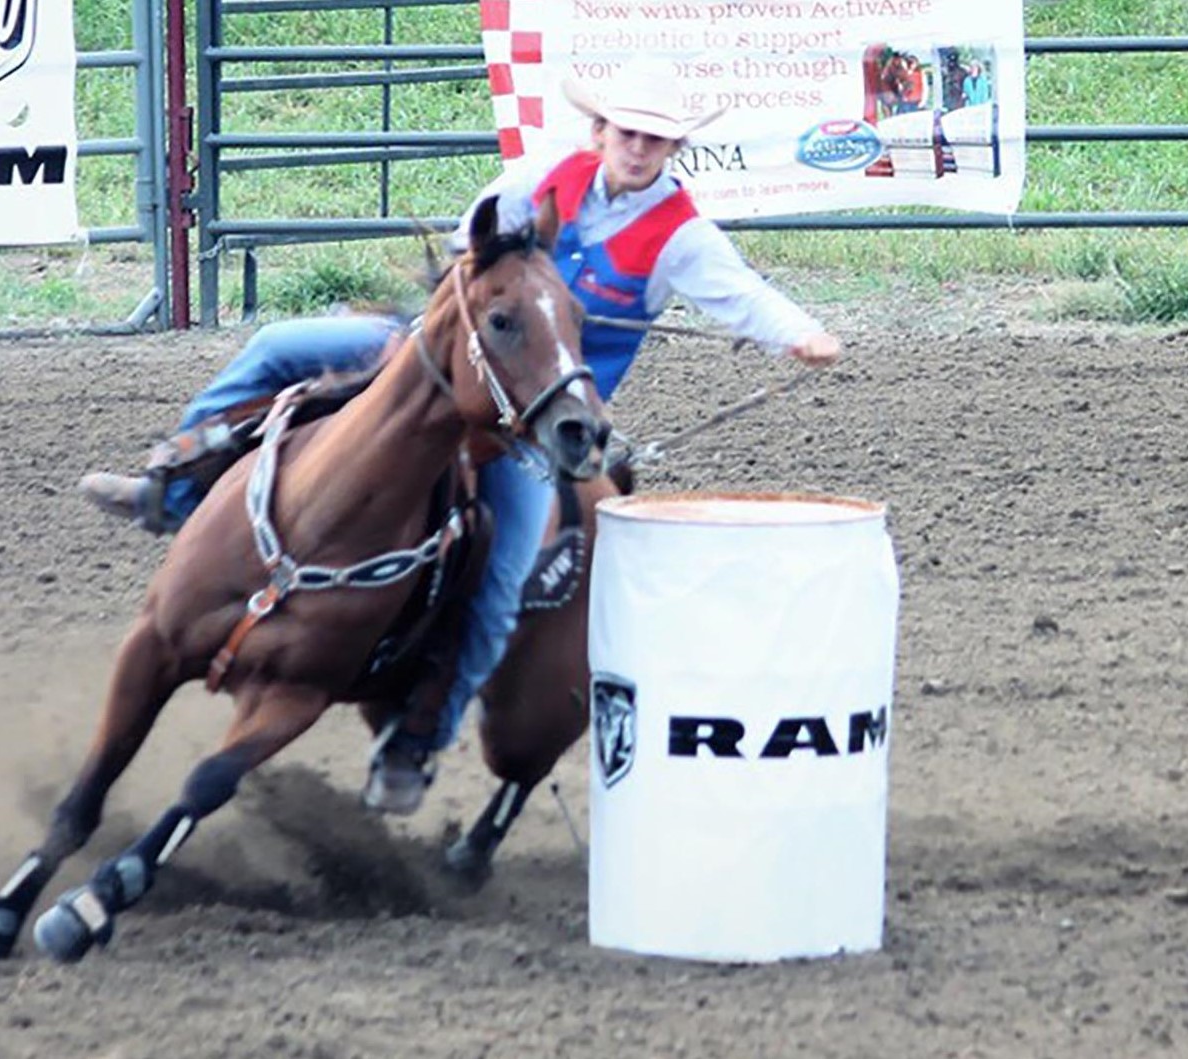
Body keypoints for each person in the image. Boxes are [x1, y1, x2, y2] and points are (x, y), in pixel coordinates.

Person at [79, 59, 841, 815]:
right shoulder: (543, 178)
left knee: (502, 580)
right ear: (602, 130)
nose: (640, 149)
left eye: (657, 139)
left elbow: (742, 297)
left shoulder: (682, 239)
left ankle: (418, 735)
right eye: (630, 132)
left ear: (673, 151)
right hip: (442, 358)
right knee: (277, 347)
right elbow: (465, 254)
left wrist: (800, 333)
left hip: (533, 431)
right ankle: (174, 484)